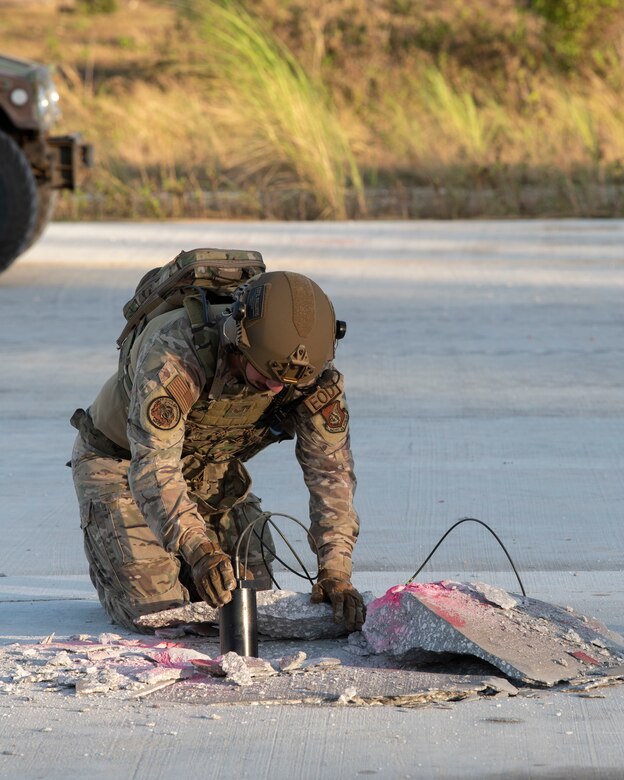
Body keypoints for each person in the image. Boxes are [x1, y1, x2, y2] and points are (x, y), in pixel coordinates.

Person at [70, 260, 365, 634]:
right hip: (122, 465)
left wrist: (335, 571)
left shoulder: (311, 374)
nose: (276, 388)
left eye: (285, 382)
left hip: (208, 468)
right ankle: (116, 559)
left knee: (246, 601)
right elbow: (154, 470)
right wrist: (199, 550)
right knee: (161, 615)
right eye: (265, 374)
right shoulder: (177, 354)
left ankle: (182, 556)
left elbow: (331, 473)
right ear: (239, 340)